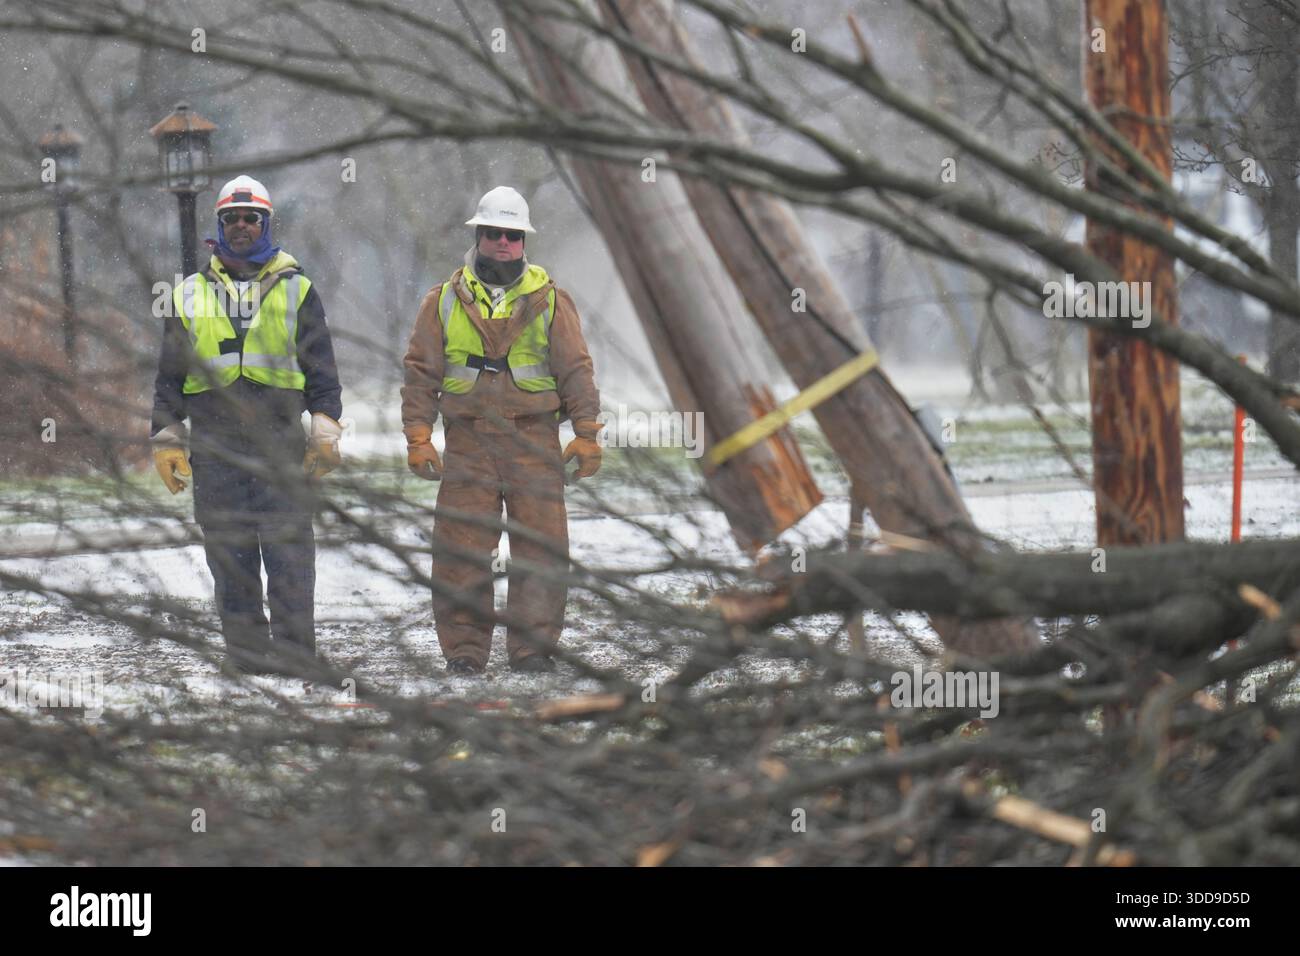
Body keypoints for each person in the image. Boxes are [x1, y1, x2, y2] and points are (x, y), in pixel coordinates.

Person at [401, 186, 602, 674]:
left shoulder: (552, 300)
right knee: (461, 550)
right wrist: (418, 434)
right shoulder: (443, 300)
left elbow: (575, 368)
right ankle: (465, 653)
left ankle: (532, 650)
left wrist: (587, 430)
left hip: (534, 439)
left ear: (524, 240)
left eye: (512, 235)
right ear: (478, 235)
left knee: (540, 549)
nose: (503, 243)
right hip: (468, 441)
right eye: (493, 233)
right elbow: (420, 371)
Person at [150, 175, 343, 675]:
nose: (240, 226)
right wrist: (167, 437)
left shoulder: (298, 289)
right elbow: (169, 378)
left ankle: (298, 653)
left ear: (265, 224)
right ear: (219, 225)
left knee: (289, 554)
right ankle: (247, 657)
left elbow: (322, 368)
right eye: (231, 218)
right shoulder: (187, 294)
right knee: (230, 554)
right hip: (215, 446)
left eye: (250, 218)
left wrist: (325, 424)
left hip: (279, 440)